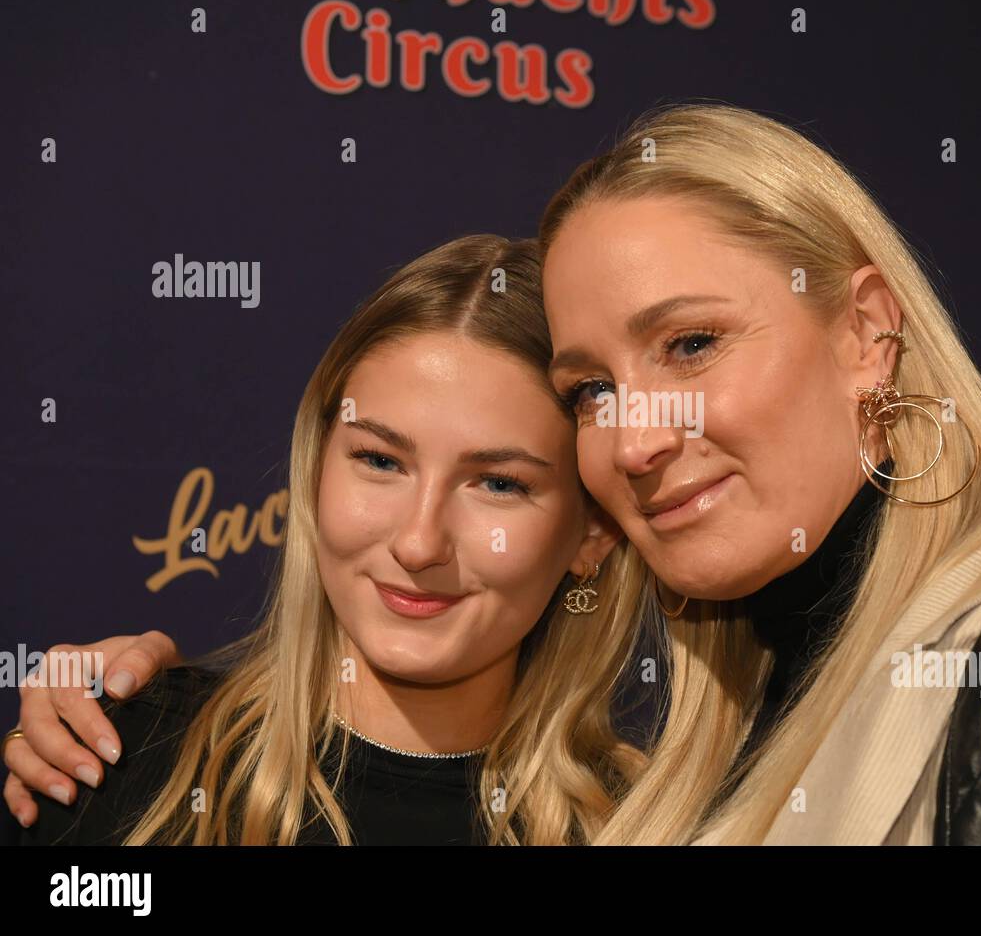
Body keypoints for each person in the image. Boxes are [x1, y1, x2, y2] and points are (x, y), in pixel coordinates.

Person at [8, 104, 981, 845]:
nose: (637, 433)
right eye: (594, 392)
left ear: (864, 333)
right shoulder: (685, 788)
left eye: (692, 343)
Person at [7, 234, 646, 845]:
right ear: (315, 469)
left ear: (592, 533)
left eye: (499, 484)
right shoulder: (112, 758)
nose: (419, 544)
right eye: (381, 461)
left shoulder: (652, 828)